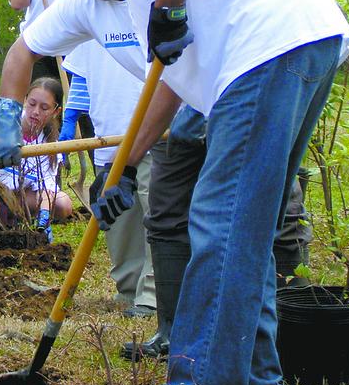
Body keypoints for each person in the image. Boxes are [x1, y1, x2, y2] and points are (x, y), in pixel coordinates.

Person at [0, 0, 349, 385]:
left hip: (263, 48)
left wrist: (171, 3)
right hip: (296, 43)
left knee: (222, 222)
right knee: (246, 227)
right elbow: (171, 80)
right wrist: (126, 170)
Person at [122, 106, 312, 364]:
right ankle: (173, 332)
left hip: (257, 97)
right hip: (177, 109)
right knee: (167, 212)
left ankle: (291, 332)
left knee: (280, 206)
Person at [64, 27, 158, 318]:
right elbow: (81, 75)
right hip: (109, 137)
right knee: (119, 221)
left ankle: (153, 296)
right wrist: (71, 117)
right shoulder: (91, 18)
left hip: (153, 135)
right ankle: (129, 291)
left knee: (155, 214)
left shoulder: (146, 6)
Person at [0, 77, 72, 240]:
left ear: (56, 111)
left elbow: (47, 187)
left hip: (20, 198)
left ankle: (18, 223)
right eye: (32, 104)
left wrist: (44, 216)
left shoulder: (51, 143)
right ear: (24, 100)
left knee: (63, 203)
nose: (36, 112)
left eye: (44, 108)